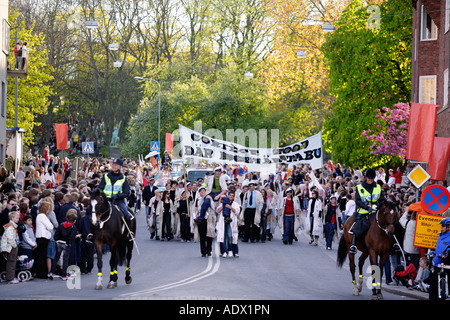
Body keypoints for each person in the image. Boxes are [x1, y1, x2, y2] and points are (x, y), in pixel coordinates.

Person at [349, 168, 386, 254]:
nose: (370, 180)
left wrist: (380, 206)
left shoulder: (378, 187)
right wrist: (367, 208)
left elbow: (381, 199)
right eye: (368, 178)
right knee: (357, 224)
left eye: (371, 179)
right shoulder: (359, 187)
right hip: (363, 211)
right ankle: (353, 244)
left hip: (376, 211)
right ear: (366, 178)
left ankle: (393, 244)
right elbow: (358, 200)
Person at [96, 158, 133, 239]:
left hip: (118, 201)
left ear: (120, 167)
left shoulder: (123, 178)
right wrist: (100, 193)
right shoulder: (106, 176)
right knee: (93, 211)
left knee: (127, 214)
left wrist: (117, 196)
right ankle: (92, 234)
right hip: (106, 201)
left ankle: (129, 233)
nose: (114, 166)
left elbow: (126, 192)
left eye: (116, 165)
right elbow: (100, 187)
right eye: (113, 164)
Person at [428, 217, 450, 300]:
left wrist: (448, 252)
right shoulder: (440, 235)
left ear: (449, 227)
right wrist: (433, 252)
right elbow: (438, 248)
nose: (441, 227)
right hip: (437, 261)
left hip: (447, 261)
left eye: (443, 226)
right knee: (433, 282)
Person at [52, 209, 78, 280]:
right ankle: (64, 274)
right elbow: (71, 237)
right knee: (65, 260)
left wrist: (56, 240)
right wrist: (68, 243)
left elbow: (56, 234)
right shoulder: (73, 227)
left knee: (56, 257)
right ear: (74, 221)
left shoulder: (61, 225)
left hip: (59, 242)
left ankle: (51, 272)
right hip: (66, 244)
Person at [217, 191, 240, 257]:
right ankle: (224, 251)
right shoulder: (223, 202)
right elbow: (217, 211)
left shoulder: (235, 204)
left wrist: (230, 207)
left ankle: (230, 250)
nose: (231, 197)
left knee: (230, 236)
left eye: (232, 196)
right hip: (223, 221)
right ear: (228, 196)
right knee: (223, 237)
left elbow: (236, 212)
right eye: (230, 195)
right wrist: (223, 206)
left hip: (231, 222)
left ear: (233, 197)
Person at [35, 201, 54, 279]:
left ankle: (41, 272)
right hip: (43, 237)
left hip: (41, 237)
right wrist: (48, 228)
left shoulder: (39, 215)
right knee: (42, 256)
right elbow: (50, 226)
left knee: (41, 256)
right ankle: (42, 273)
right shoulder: (42, 216)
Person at [399, 202, 422, 269]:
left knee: (409, 267)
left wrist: (406, 212)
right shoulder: (422, 224)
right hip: (418, 250)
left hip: (408, 249)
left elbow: (401, 220)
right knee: (416, 267)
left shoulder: (409, 223)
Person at [1, 211, 20, 284]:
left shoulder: (11, 226)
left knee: (12, 262)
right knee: (11, 262)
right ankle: (10, 278)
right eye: (17, 218)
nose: (18, 219)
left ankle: (11, 276)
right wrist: (14, 245)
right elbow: (10, 237)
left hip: (10, 246)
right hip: (11, 246)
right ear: (12, 218)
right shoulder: (11, 227)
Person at [195, 186, 215, 257]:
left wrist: (211, 199)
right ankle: (203, 251)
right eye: (201, 191)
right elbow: (196, 209)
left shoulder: (209, 199)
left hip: (209, 219)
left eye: (204, 191)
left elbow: (213, 207)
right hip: (202, 219)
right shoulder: (198, 200)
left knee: (209, 235)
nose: (203, 192)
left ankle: (209, 250)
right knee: (202, 236)